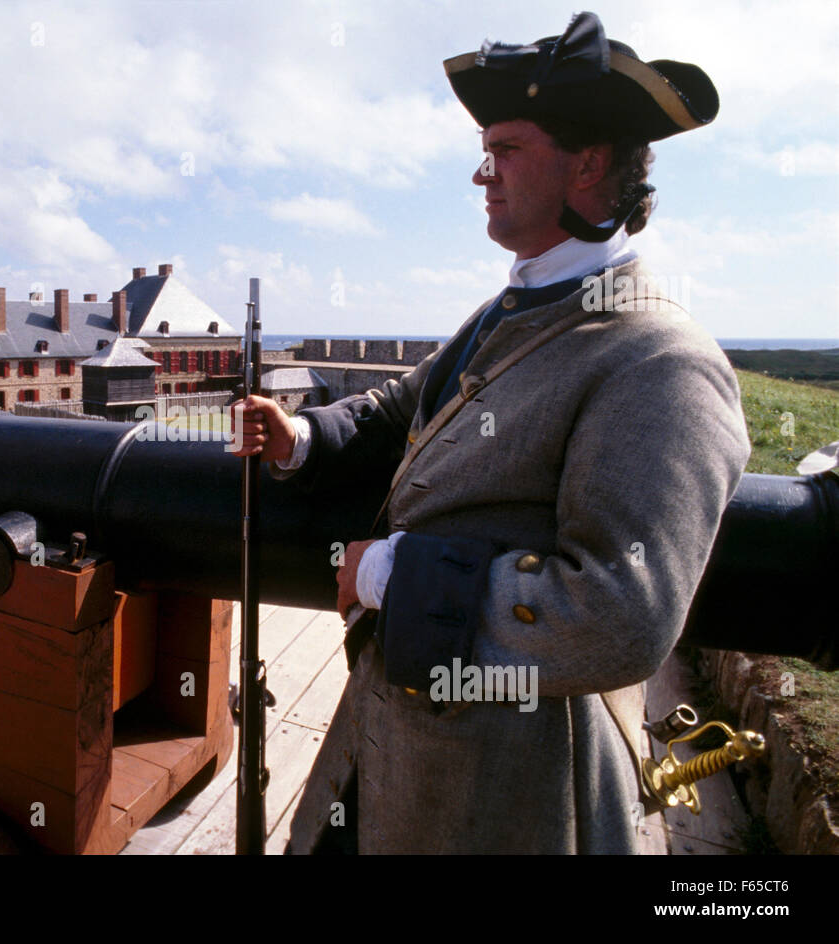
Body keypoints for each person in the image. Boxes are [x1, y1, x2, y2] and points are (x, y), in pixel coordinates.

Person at [229, 12, 751, 853]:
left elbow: (621, 611)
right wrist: (302, 437)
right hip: (399, 740)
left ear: (588, 164)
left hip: (518, 787)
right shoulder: (516, 307)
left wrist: (391, 573)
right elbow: (401, 409)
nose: (483, 174)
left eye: (506, 149)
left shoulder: (660, 358)